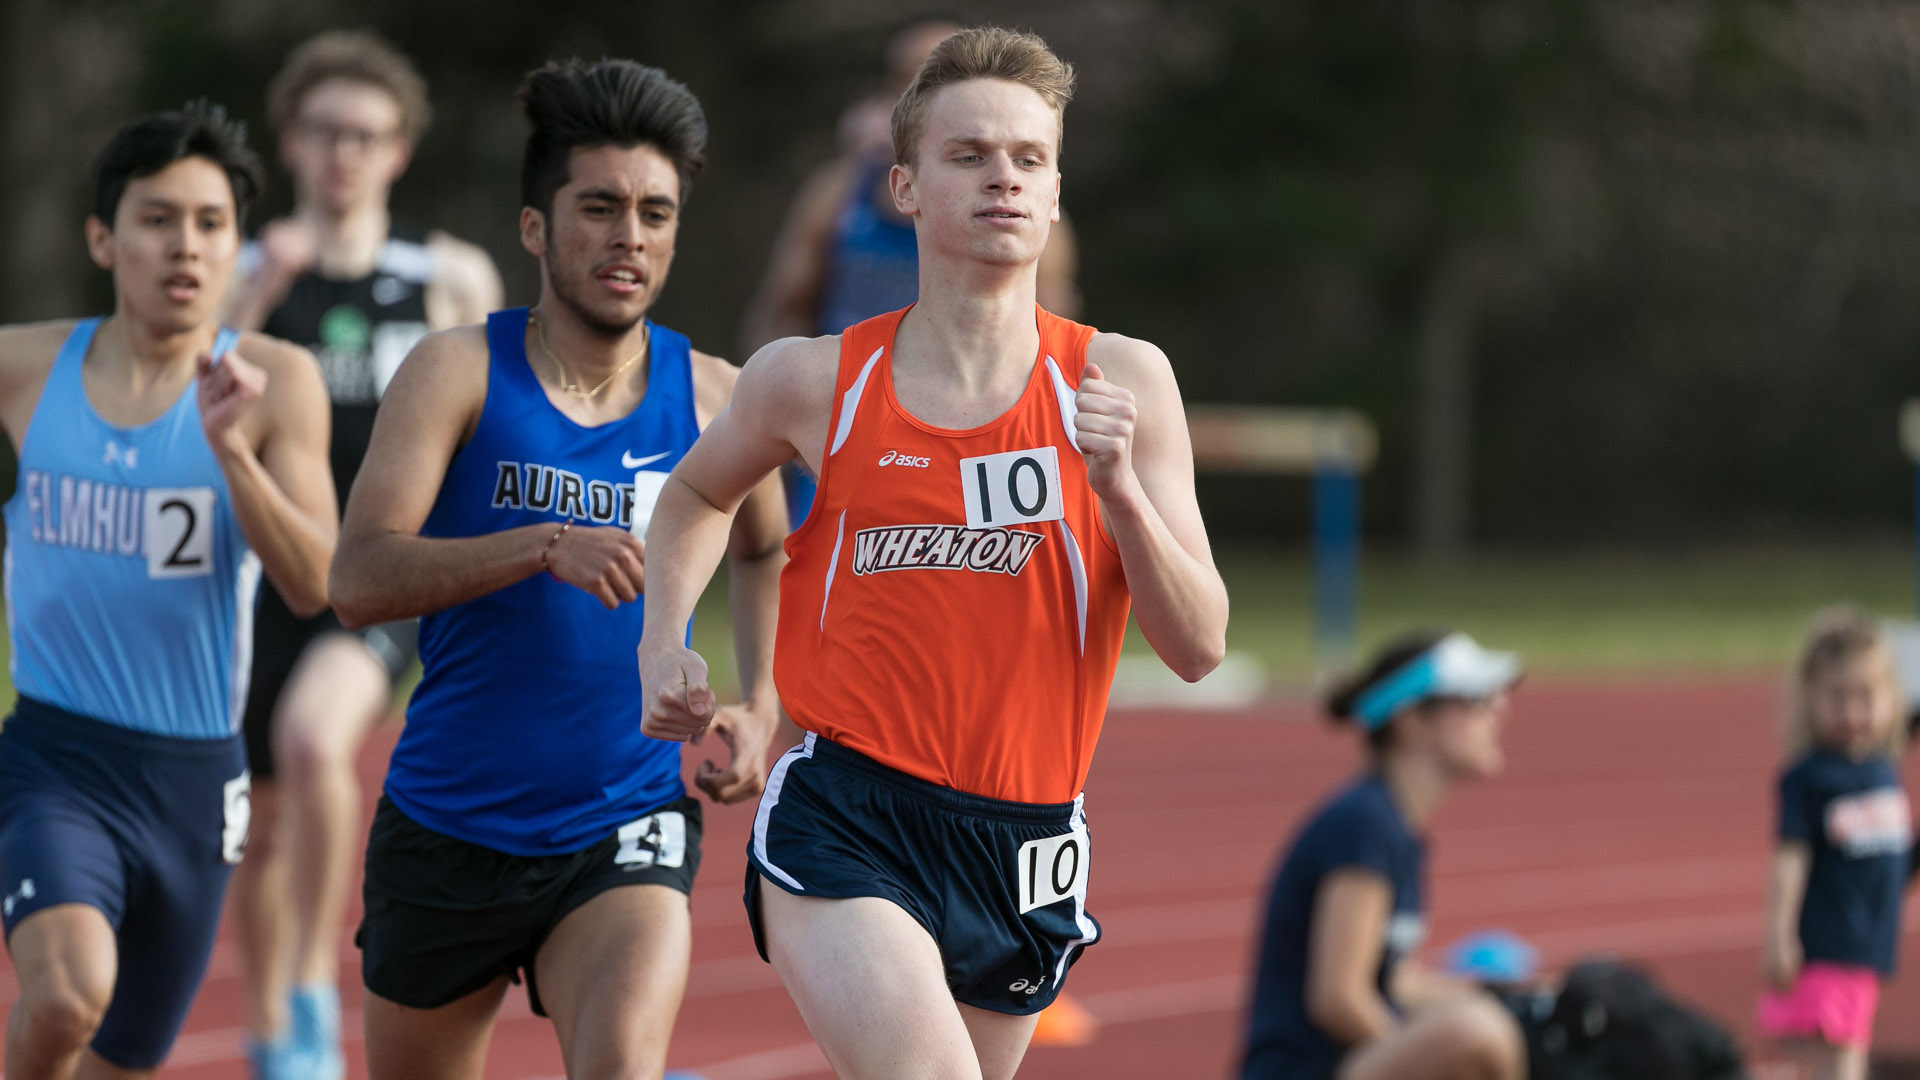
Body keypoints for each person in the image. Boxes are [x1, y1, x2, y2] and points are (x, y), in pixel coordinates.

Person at [638, 26, 1228, 1080]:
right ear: (905, 186)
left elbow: (1199, 647)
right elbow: (693, 493)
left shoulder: (1125, 384)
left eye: (1028, 158)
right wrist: (661, 642)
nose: (1003, 177)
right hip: (850, 816)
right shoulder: (814, 381)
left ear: (1055, 196)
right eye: (970, 155)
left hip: (1028, 840)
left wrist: (1122, 496)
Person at [327, 58, 785, 1080]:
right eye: (601, 207)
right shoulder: (456, 372)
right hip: (449, 825)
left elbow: (768, 547)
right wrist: (537, 546)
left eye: (656, 212)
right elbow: (357, 579)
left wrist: (762, 703)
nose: (631, 235)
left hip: (621, 820)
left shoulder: (715, 396)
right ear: (535, 227)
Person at [0, 103, 336, 1079]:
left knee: (121, 1059)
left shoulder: (277, 382)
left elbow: (315, 583)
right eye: (156, 220)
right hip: (54, 757)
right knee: (65, 994)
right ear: (104, 238)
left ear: (237, 245)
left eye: (210, 222)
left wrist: (232, 452)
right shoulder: (24, 368)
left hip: (195, 786)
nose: (185, 246)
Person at [217, 30, 502, 1080]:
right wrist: (251, 297)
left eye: (367, 136)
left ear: (398, 152)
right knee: (263, 821)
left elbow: (494, 412)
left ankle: (307, 990)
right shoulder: (244, 264)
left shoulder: (445, 274)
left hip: (379, 580)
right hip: (262, 578)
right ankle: (267, 1031)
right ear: (292, 142)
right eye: (327, 132)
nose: (345, 153)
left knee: (312, 744)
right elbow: (193, 411)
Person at [738, 15, 1080, 531]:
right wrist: (787, 419)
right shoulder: (836, 195)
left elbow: (1055, 330)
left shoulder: (1023, 211)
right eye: (910, 77)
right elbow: (779, 308)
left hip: (980, 424)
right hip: (846, 422)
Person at [1239, 630, 1528, 1080]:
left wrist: (1514, 998)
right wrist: (1422, 1053)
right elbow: (1338, 999)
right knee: (1476, 1035)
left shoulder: (1392, 824)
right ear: (1409, 720)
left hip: (1344, 1065)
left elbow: (1395, 980)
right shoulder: (1365, 824)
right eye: (1474, 700)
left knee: (1497, 1018)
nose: (1499, 710)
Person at [1758, 607, 1910, 1080]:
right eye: (1837, 698)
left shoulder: (1884, 773)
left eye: (1865, 697)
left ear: (1891, 698)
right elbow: (1790, 860)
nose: (1852, 713)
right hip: (1829, 942)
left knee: (1846, 1053)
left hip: (1869, 945)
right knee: (1842, 1058)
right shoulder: (1810, 778)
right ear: (1810, 698)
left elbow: (1892, 860)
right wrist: (1780, 936)